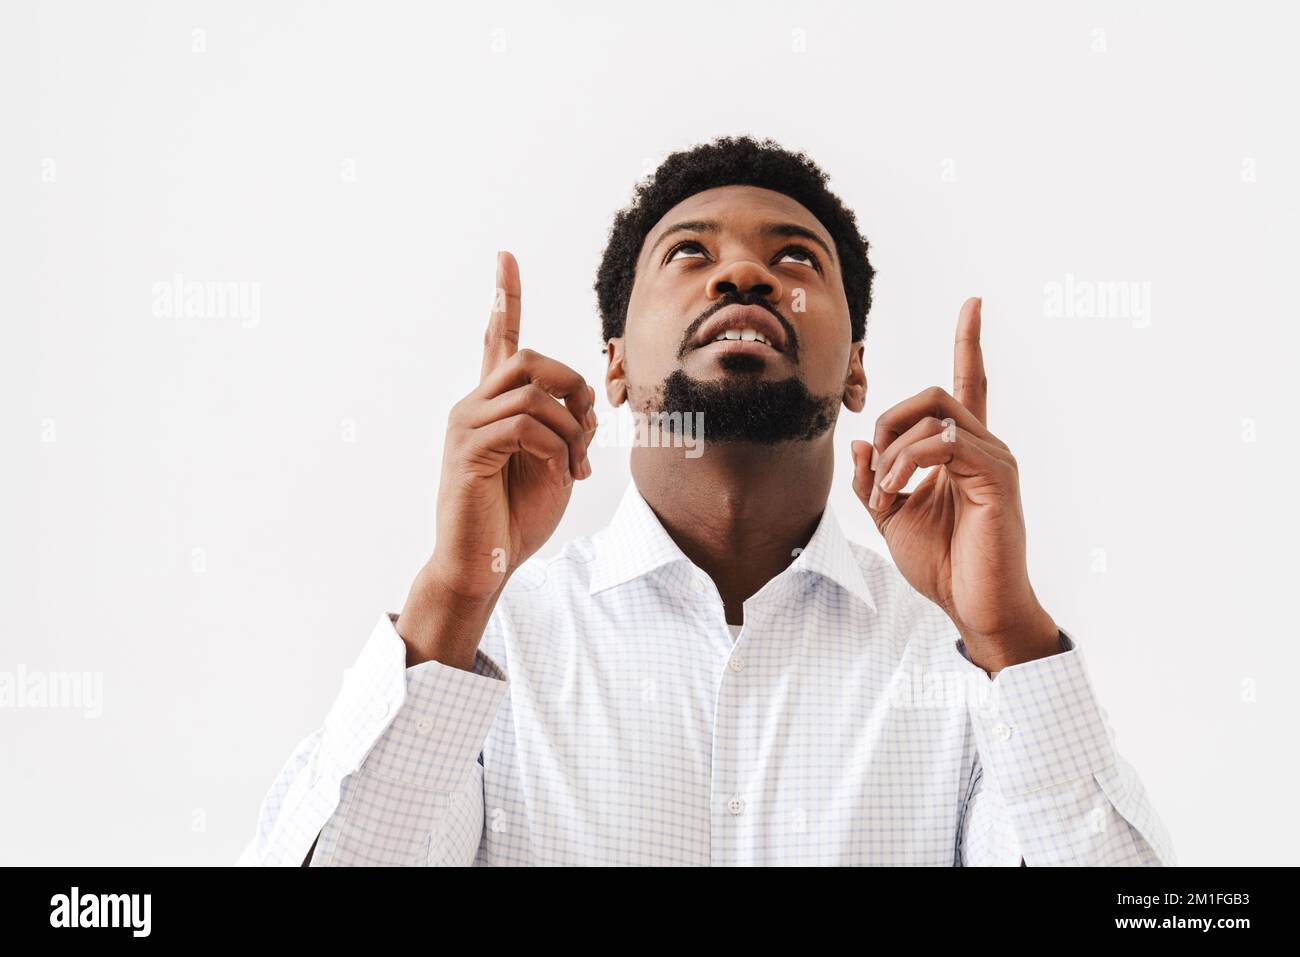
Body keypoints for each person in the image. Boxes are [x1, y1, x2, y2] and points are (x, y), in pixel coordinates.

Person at [237, 136, 1176, 866]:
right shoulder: (486, 654)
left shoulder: (965, 668)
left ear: (856, 371)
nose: (745, 275)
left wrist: (1010, 637)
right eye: (690, 252)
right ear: (612, 362)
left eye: (797, 260)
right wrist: (452, 589)